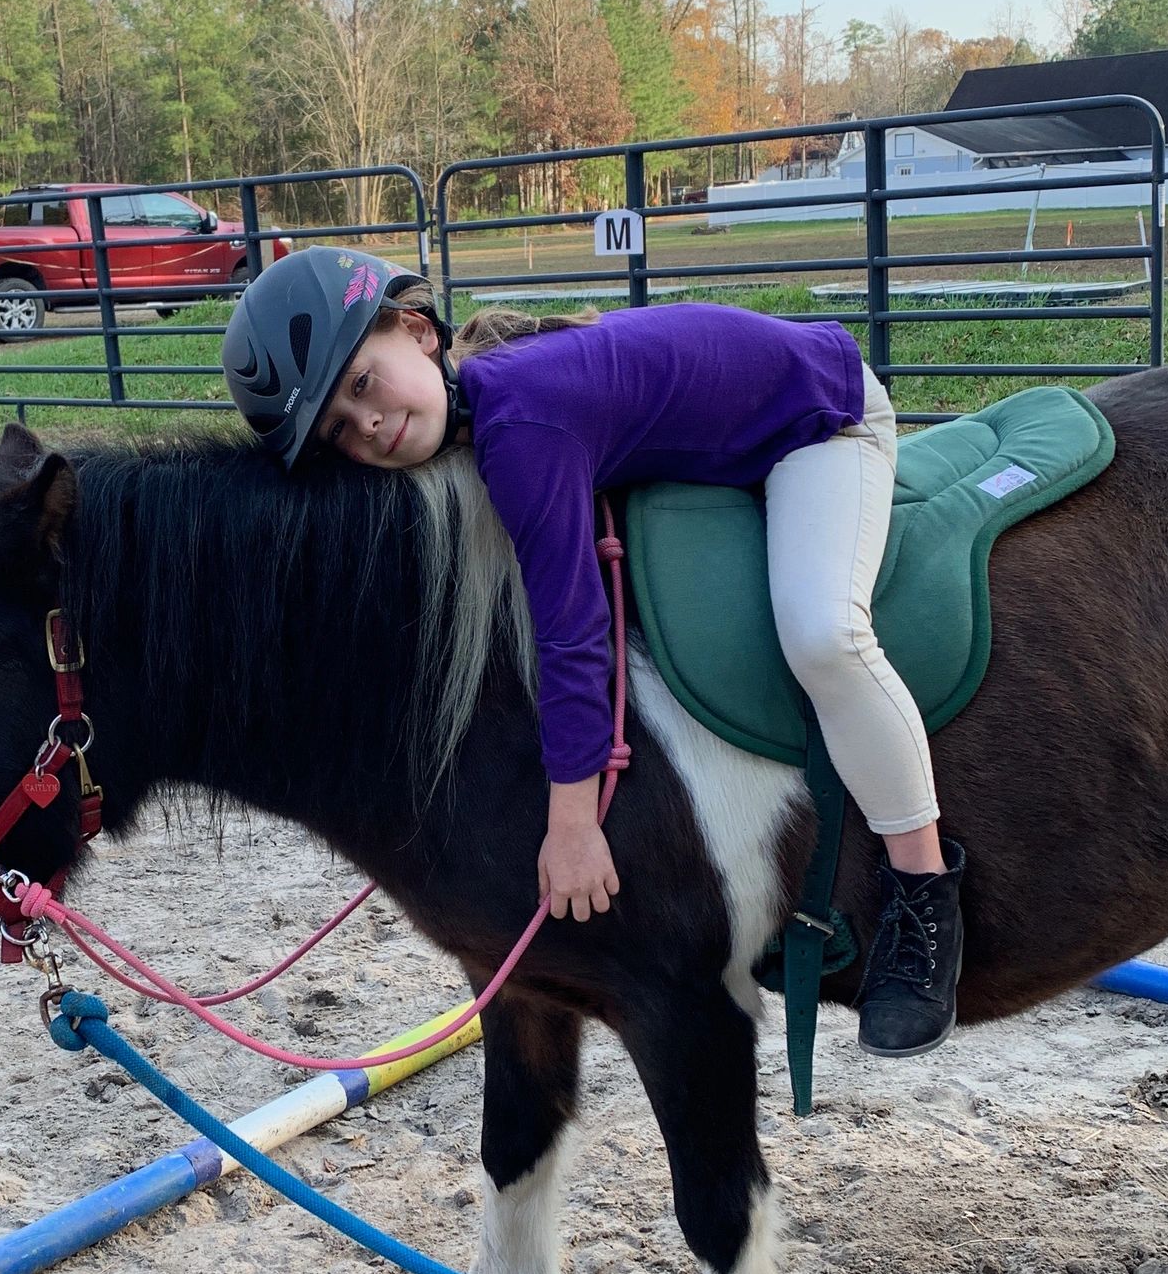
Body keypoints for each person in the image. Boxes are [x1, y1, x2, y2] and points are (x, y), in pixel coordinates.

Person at [222, 246, 964, 1055]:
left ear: (416, 331)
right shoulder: (484, 401)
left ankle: (923, 890)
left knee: (825, 633)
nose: (366, 424)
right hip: (731, 442)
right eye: (339, 429)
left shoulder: (519, 425)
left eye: (363, 384)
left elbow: (573, 634)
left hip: (823, 418)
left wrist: (572, 824)